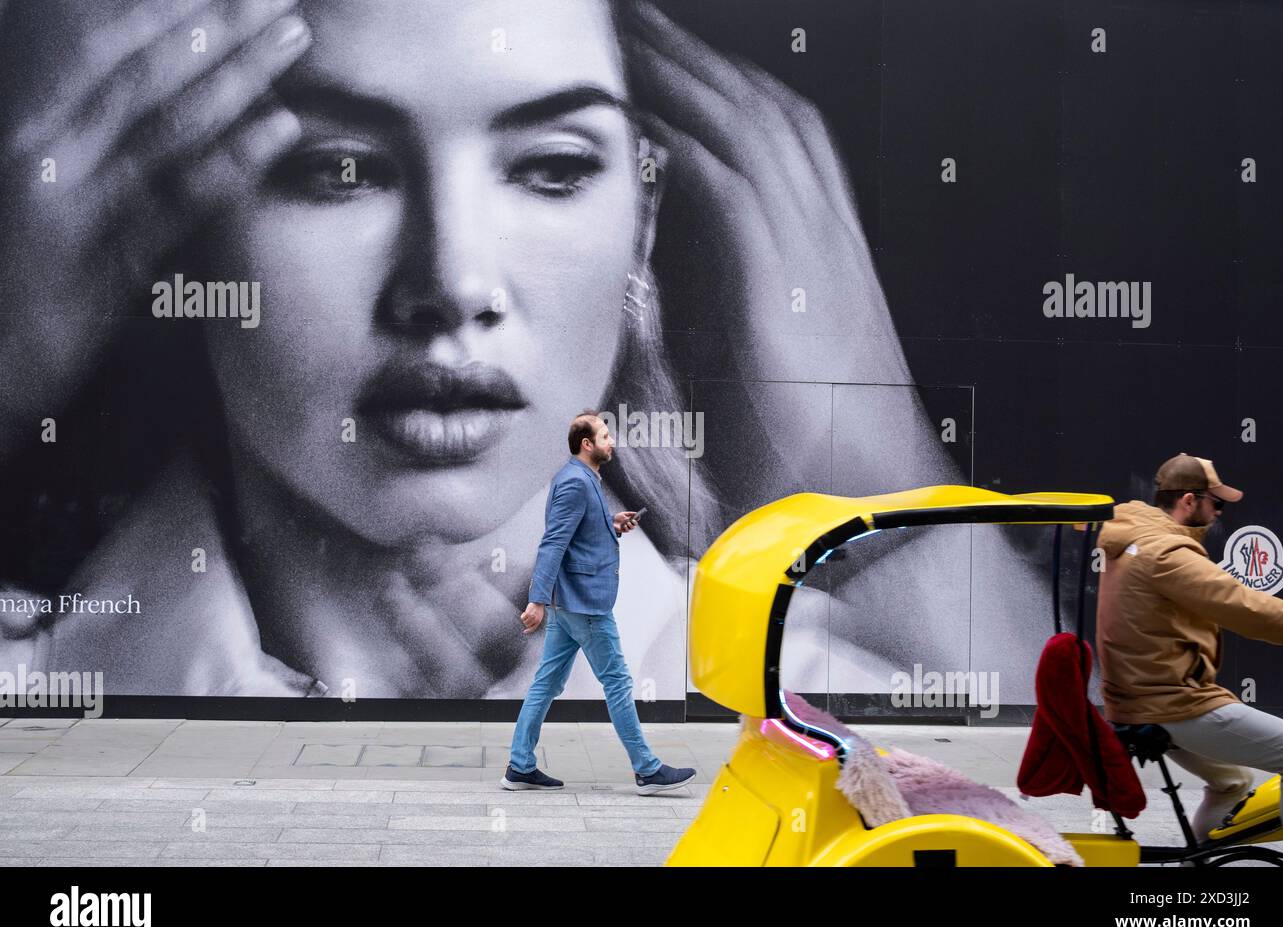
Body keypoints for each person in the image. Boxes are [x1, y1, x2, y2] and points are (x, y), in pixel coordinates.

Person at [0, 0, 1050, 705]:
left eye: (551, 166)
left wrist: (877, 491)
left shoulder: (833, 703)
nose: (453, 284)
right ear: (164, 216)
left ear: (641, 225)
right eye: (340, 169)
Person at [1096, 452, 1283, 864]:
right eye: (1216, 503)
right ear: (1189, 501)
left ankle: (1196, 861)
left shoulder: (1134, 536)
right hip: (1172, 703)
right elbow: (1247, 608)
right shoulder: (1167, 554)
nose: (1218, 514)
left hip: (1138, 698)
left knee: (1231, 782)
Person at [503, 411, 696, 794]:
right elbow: (554, 543)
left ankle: (520, 766)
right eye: (605, 436)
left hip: (570, 604)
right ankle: (646, 768)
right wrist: (537, 600)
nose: (612, 442)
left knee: (545, 684)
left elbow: (576, 533)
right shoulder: (576, 482)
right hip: (586, 605)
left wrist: (611, 524)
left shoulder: (579, 479)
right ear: (587, 444)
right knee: (619, 682)